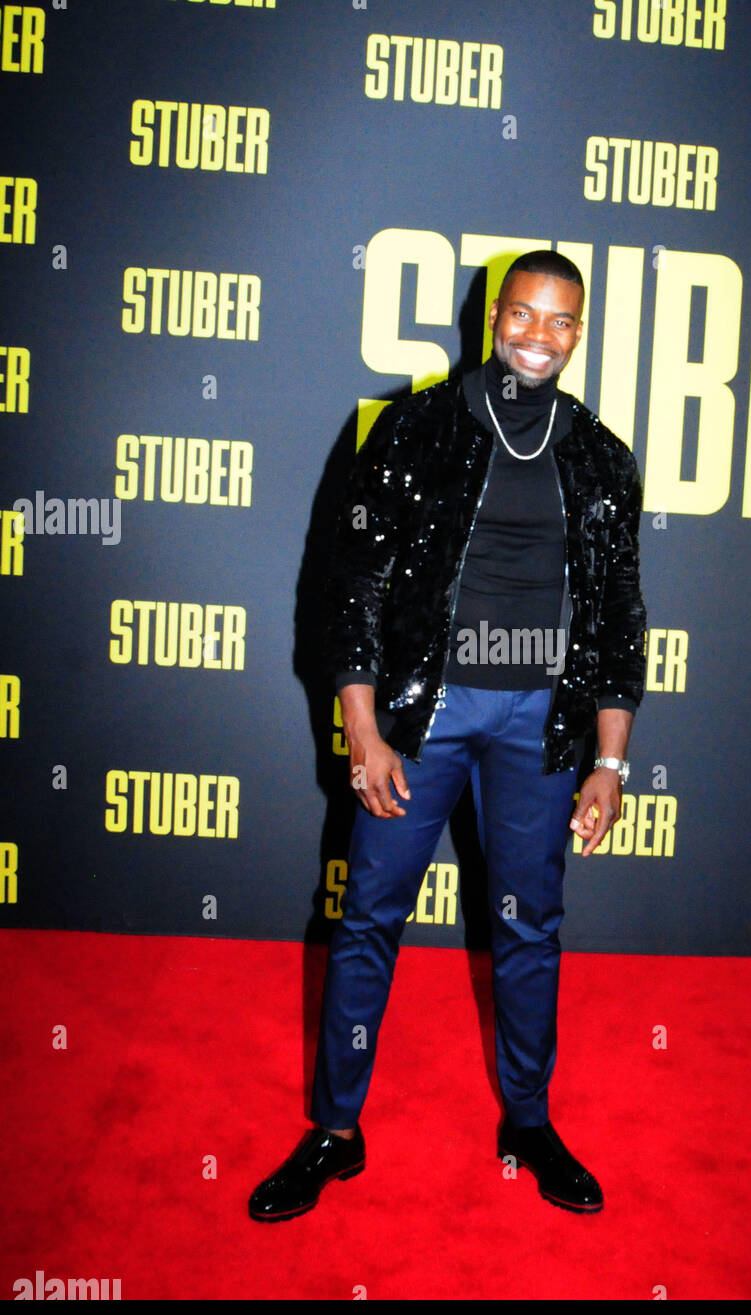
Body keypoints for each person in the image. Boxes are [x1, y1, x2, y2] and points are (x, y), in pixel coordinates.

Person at [249, 250, 646, 1221]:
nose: (538, 336)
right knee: (369, 919)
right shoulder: (412, 425)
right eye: (523, 314)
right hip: (424, 715)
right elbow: (352, 587)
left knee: (529, 925)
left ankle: (529, 1121)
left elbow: (618, 616)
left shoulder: (600, 455)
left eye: (560, 321)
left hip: (540, 723)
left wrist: (609, 758)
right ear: (492, 316)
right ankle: (335, 1132)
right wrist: (363, 727)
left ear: (578, 331)